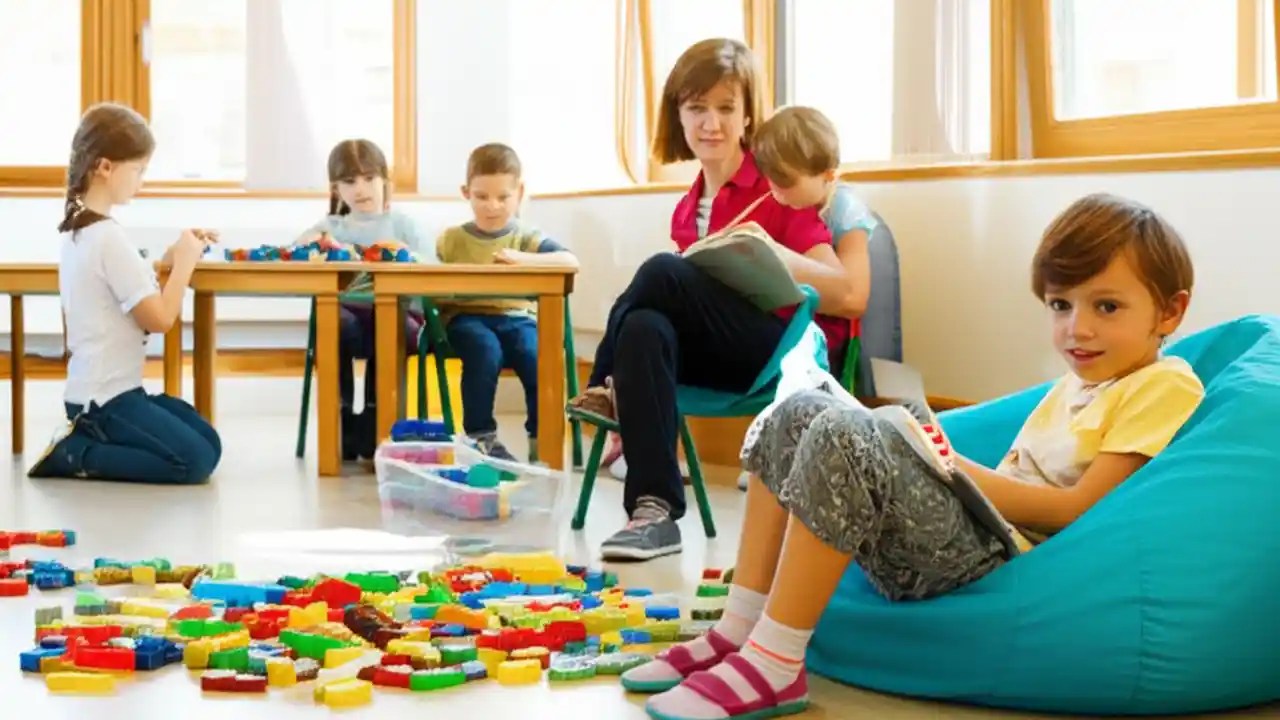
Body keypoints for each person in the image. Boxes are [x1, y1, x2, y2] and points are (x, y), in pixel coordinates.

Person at [622, 192, 1205, 720]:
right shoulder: (1078, 384)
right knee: (795, 410)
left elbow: (1078, 509)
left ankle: (776, 661)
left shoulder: (1164, 383)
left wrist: (951, 468)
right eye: (1060, 305)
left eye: (1107, 307)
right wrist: (932, 456)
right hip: (975, 521)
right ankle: (740, 625)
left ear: (1170, 312)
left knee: (845, 436)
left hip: (1004, 556)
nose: (1078, 329)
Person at [568, 38, 862, 561]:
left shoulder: (775, 184)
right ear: (678, 116)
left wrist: (772, 251)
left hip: (769, 350)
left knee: (663, 270)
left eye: (726, 108)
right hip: (711, 355)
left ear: (748, 115)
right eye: (697, 108)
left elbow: (844, 292)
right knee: (644, 327)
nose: (711, 123)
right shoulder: (687, 209)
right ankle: (654, 512)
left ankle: (603, 381)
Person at [28, 102, 222, 485]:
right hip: (103, 401)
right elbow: (160, 319)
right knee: (195, 461)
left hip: (108, 394)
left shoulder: (85, 233)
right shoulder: (106, 238)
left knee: (208, 442)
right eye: (138, 170)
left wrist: (169, 262)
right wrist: (185, 263)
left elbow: (128, 298)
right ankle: (74, 453)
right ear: (105, 167)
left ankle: (96, 436)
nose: (141, 181)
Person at [435, 143, 579, 460]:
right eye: (481, 196)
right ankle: (480, 437)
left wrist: (523, 258)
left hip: (518, 317)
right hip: (466, 318)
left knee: (536, 354)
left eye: (503, 197)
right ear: (466, 193)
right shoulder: (451, 239)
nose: (492, 206)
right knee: (485, 350)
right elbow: (430, 281)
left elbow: (569, 260)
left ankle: (542, 440)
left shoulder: (526, 237)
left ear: (519, 193)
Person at [295, 139, 430, 461]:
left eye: (369, 178)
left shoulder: (403, 224)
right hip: (348, 319)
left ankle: (377, 417)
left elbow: (435, 270)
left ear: (385, 181)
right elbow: (294, 255)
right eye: (349, 181)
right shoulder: (331, 227)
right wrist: (311, 244)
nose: (360, 188)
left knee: (388, 321)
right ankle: (340, 418)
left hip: (400, 318)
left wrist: (406, 255)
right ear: (336, 189)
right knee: (333, 319)